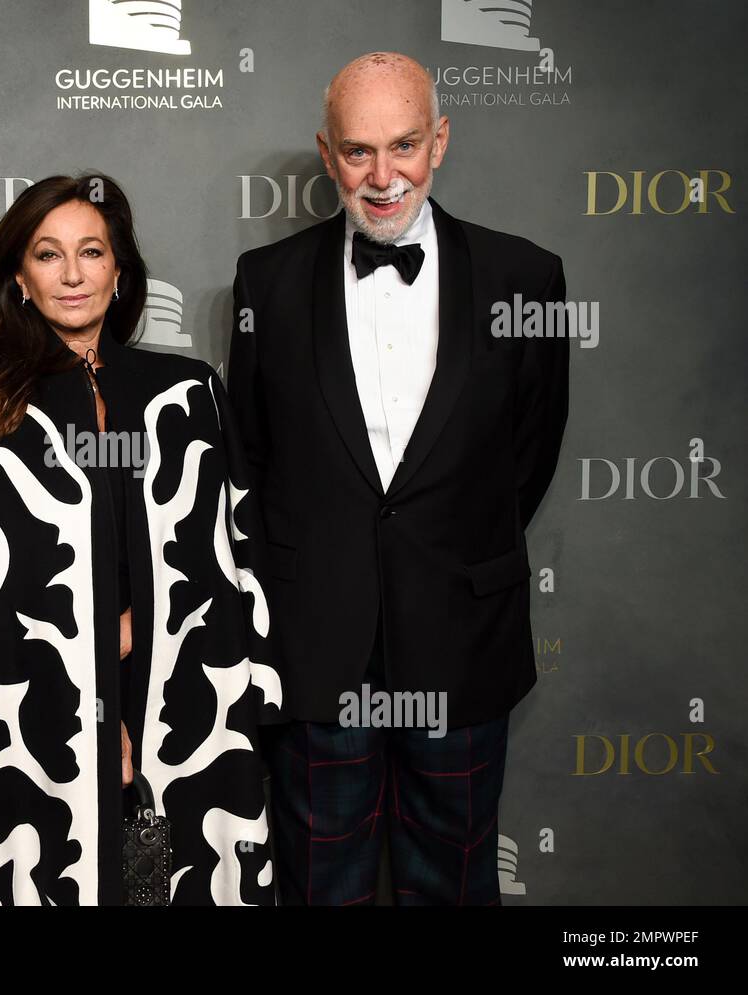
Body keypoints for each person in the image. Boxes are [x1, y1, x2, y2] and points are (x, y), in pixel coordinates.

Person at [228, 52, 569, 905]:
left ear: (440, 140)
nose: (383, 177)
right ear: (325, 152)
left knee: (453, 880)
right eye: (357, 151)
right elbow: (255, 461)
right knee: (323, 881)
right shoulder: (265, 285)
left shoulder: (526, 277)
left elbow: (529, 455)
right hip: (318, 643)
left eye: (405, 144)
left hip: (462, 631)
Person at [0, 173, 282, 906]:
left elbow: (227, 558)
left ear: (119, 269)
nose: (72, 274)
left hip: (175, 701)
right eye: (47, 254)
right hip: (38, 712)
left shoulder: (187, 391)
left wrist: (135, 656)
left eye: (91, 252)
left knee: (160, 881)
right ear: (18, 276)